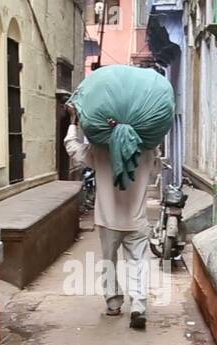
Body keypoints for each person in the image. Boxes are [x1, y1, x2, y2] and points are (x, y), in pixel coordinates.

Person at [64, 104, 161, 330]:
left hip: (108, 219)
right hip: (137, 219)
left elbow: (72, 149)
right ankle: (138, 305)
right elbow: (155, 171)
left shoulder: (99, 150)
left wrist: (73, 123)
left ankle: (114, 304)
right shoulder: (146, 151)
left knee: (109, 262)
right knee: (138, 263)